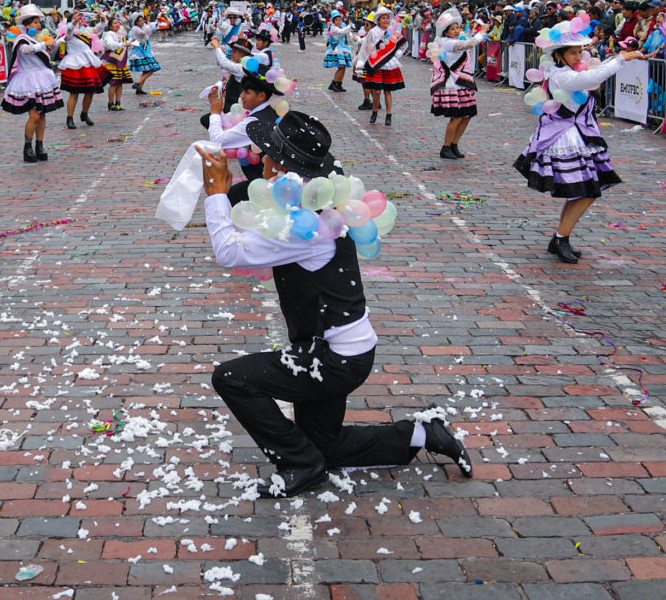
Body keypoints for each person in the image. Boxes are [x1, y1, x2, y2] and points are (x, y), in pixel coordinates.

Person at [195, 113, 471, 499]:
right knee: (326, 445)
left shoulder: (305, 226)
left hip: (335, 357)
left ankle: (299, 465)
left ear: (282, 167)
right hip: (339, 348)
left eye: (268, 154)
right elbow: (252, 207)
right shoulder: (315, 206)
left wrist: (215, 194)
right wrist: (225, 187)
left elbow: (229, 251)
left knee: (231, 378)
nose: (261, 158)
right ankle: (421, 434)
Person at [515, 17, 626, 263]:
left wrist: (620, 58)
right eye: (573, 53)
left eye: (580, 52)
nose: (578, 57)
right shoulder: (561, 75)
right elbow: (590, 80)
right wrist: (621, 59)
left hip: (577, 135)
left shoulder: (569, 71)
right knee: (586, 191)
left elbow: (591, 76)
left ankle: (560, 238)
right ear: (559, 55)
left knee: (581, 191)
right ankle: (560, 238)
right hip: (565, 139)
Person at [2, 4, 63, 162]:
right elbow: (25, 50)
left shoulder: (38, 38)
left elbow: (46, 53)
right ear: (27, 24)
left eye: (39, 22)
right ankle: (27, 147)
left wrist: (54, 42)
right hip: (28, 80)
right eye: (35, 22)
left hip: (42, 78)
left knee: (42, 115)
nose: (38, 25)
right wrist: (44, 45)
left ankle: (39, 145)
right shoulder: (21, 38)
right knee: (34, 116)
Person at [427, 8, 486, 160]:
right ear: (445, 32)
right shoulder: (446, 43)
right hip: (452, 84)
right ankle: (446, 147)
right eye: (452, 29)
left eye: (457, 28)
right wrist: (482, 32)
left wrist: (473, 29)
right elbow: (469, 44)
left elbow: (467, 40)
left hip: (463, 82)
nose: (456, 31)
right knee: (456, 117)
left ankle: (454, 144)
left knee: (467, 115)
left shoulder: (454, 40)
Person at [357, 8, 405, 125]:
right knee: (377, 91)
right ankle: (374, 112)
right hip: (376, 63)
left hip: (388, 63)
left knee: (387, 91)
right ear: (378, 20)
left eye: (387, 18)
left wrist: (397, 54)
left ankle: (389, 115)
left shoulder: (393, 31)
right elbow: (365, 47)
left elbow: (403, 45)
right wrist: (361, 61)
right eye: (383, 18)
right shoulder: (373, 32)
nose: (386, 20)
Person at [58, 13, 106, 128]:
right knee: (74, 93)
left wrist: (103, 19)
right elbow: (69, 30)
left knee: (90, 91)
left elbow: (98, 29)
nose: (79, 19)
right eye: (75, 17)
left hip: (88, 63)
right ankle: (69, 118)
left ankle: (84, 113)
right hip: (74, 64)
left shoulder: (85, 32)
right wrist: (74, 22)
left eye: (80, 18)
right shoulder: (69, 33)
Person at [128, 14, 162, 95]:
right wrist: (148, 27)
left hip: (145, 49)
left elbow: (148, 33)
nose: (142, 22)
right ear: (136, 22)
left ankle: (139, 88)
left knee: (146, 70)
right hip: (140, 51)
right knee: (151, 69)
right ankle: (137, 83)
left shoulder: (143, 27)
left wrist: (154, 27)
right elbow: (143, 33)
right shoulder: (135, 28)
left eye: (142, 20)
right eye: (139, 21)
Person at [322, 13, 354, 92]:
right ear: (333, 21)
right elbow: (341, 32)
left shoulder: (341, 25)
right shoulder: (333, 28)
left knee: (343, 67)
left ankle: (339, 84)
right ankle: (334, 83)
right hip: (336, 49)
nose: (339, 21)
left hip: (343, 48)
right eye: (337, 20)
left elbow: (347, 31)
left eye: (340, 19)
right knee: (341, 66)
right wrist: (349, 26)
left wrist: (351, 30)